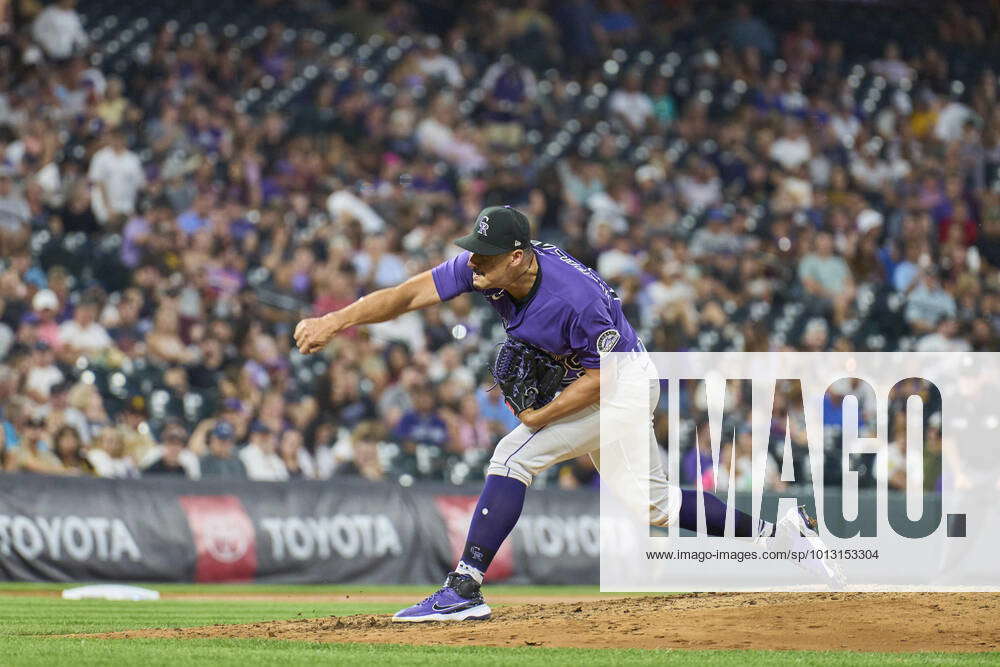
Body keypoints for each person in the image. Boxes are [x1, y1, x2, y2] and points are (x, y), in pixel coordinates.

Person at [294, 205, 844, 622]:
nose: (472, 263)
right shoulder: (491, 268)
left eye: (483, 255)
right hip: (607, 380)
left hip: (622, 385)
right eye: (473, 253)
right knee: (655, 505)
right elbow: (409, 295)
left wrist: (543, 415)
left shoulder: (573, 298)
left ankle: (464, 587)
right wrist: (335, 320)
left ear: (518, 255)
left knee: (512, 455)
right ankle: (782, 533)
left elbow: (606, 377)